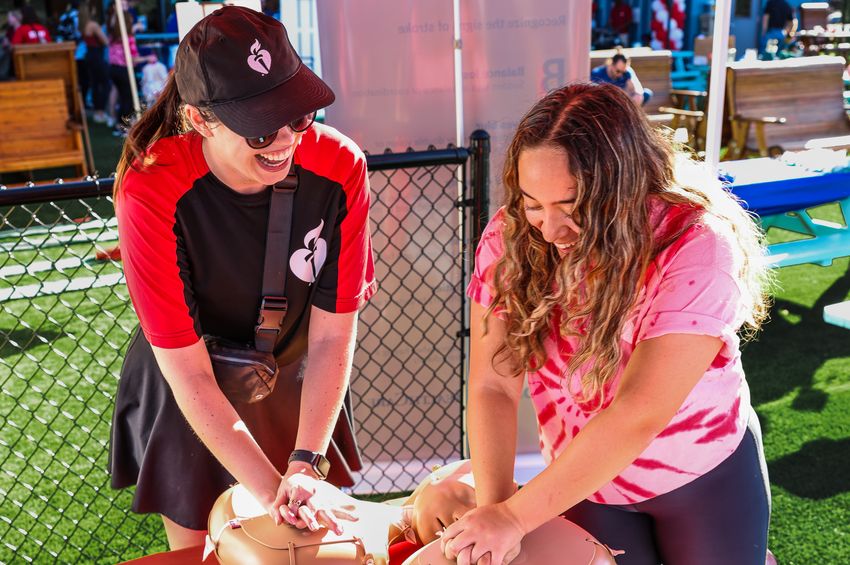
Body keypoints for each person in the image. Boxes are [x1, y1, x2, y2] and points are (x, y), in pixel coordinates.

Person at [439, 82, 772, 565]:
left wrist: (514, 519)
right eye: (533, 203)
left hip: (704, 474)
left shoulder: (696, 244)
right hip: (584, 483)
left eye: (571, 206)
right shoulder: (511, 238)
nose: (549, 230)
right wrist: (495, 511)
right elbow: (493, 384)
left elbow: (640, 410)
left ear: (623, 186)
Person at [108, 5, 376, 551]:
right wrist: (268, 487)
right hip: (194, 383)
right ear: (201, 120)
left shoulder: (341, 165)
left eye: (298, 116)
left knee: (308, 549)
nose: (284, 140)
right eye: (259, 130)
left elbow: (331, 336)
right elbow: (188, 374)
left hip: (297, 369)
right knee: (204, 550)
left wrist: (304, 464)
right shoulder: (151, 189)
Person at [106, 4, 153, 134]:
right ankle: (124, 127)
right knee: (128, 100)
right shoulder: (128, 38)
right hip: (124, 70)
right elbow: (133, 58)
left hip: (113, 69)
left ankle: (118, 125)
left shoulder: (113, 37)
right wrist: (148, 58)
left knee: (122, 98)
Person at [79, 0, 110, 125]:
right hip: (97, 55)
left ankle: (98, 111)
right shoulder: (93, 25)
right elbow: (105, 41)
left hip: (89, 55)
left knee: (95, 84)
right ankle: (101, 111)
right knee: (105, 83)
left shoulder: (82, 25)